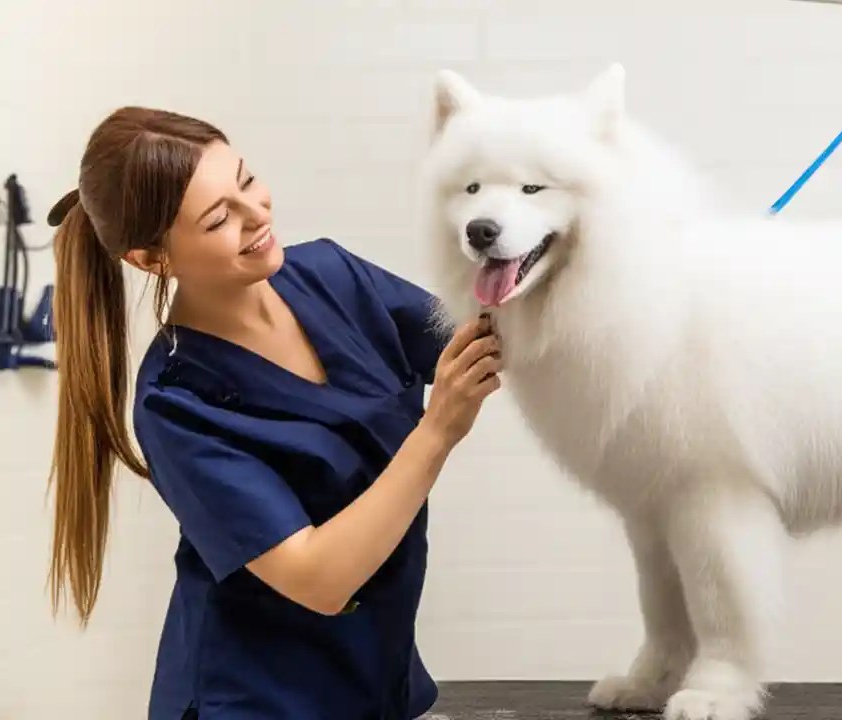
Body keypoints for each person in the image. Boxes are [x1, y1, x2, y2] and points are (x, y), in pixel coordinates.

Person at [45, 106, 501, 719]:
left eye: (246, 180)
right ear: (151, 259)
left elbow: (496, 340)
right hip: (257, 699)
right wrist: (439, 428)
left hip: (374, 677)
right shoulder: (176, 402)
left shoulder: (331, 276)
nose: (257, 215)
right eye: (218, 219)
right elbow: (316, 577)